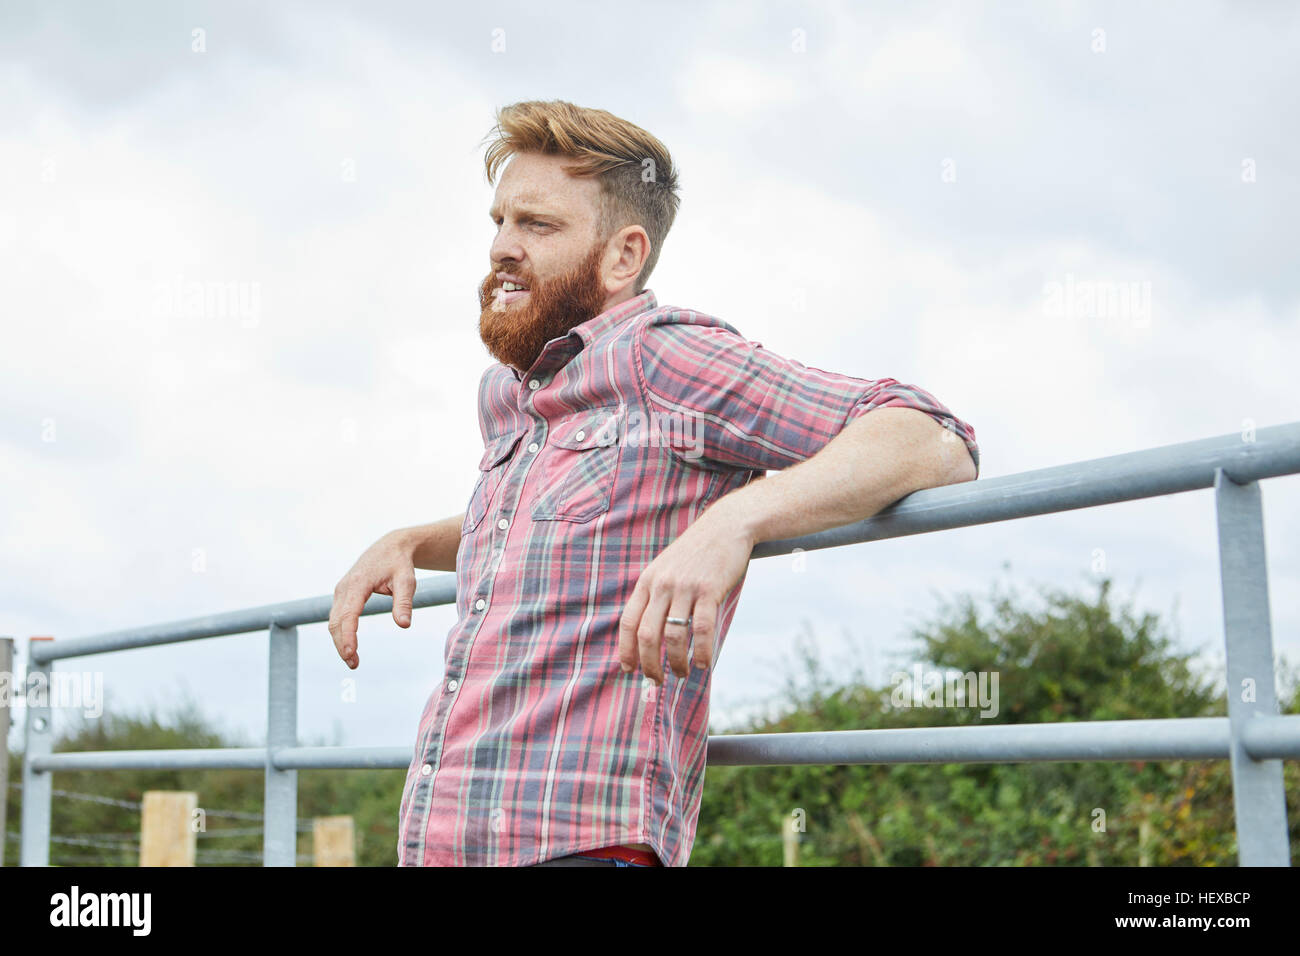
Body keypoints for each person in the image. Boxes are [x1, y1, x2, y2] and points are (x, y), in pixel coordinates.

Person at [327, 100, 980, 867]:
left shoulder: (666, 361)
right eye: (499, 221)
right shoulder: (507, 395)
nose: (502, 247)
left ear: (622, 256)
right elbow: (557, 520)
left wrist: (733, 522)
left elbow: (929, 436)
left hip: (579, 844)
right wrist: (411, 540)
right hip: (443, 841)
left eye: (537, 225)